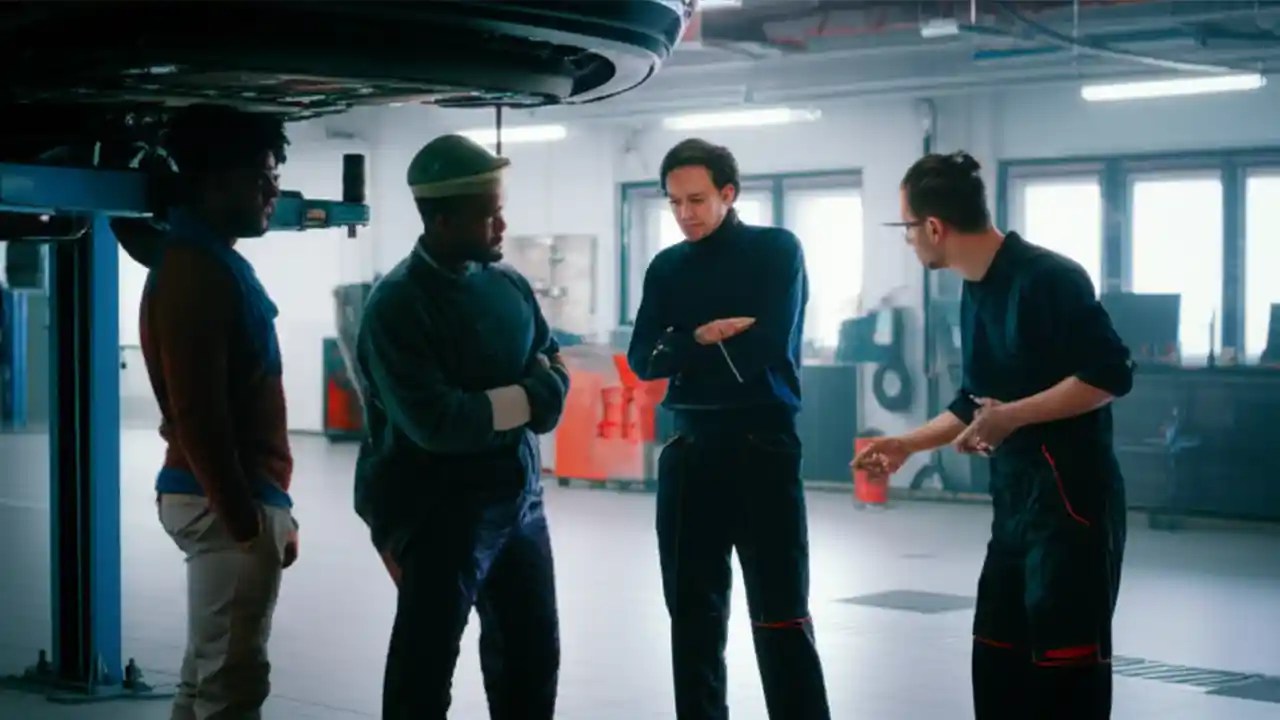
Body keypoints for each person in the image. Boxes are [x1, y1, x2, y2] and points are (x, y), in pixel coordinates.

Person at [854, 151, 1134, 719]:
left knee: (1064, 679)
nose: (908, 240)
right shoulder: (973, 286)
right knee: (998, 663)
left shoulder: (1050, 278)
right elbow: (973, 398)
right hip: (1014, 510)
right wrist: (909, 443)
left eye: (906, 226)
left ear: (934, 227)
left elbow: (1109, 375)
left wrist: (1013, 417)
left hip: (1072, 510)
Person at [352, 134, 568, 720]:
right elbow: (439, 422)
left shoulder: (509, 286)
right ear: (442, 220)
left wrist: (516, 398)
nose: (502, 224)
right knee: (424, 668)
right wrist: (531, 394)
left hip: (521, 504)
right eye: (488, 214)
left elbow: (555, 368)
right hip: (438, 511)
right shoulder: (398, 306)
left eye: (500, 209)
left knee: (531, 657)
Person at [627, 138, 831, 720]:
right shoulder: (667, 266)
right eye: (674, 203)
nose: (685, 213)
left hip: (760, 447)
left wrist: (680, 348)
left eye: (696, 199)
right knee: (692, 615)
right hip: (689, 451)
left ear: (728, 193)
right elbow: (643, 360)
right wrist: (700, 337)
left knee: (781, 614)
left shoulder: (776, 251)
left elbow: (766, 346)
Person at [139, 104, 300, 720]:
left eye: (275, 175)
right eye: (259, 175)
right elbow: (196, 410)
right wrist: (244, 517)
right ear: (210, 181)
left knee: (203, 680)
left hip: (236, 497)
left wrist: (272, 509)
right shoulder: (196, 273)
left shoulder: (208, 261)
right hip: (221, 501)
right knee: (232, 685)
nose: (272, 191)